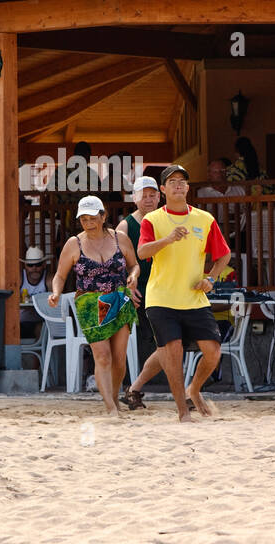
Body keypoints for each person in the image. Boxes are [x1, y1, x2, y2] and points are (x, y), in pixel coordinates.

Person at [133, 164, 232, 421]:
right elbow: (142, 253)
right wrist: (167, 239)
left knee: (213, 352)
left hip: (194, 298)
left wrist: (211, 278)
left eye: (182, 181)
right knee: (173, 353)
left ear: (188, 188)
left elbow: (224, 254)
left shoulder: (204, 219)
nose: (178, 184)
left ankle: (194, 390)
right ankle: (181, 412)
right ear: (163, 189)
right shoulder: (152, 219)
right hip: (161, 299)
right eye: (172, 181)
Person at [48, 195, 140, 416]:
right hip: (90, 303)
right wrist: (56, 292)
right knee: (102, 356)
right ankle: (110, 407)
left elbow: (134, 264)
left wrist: (133, 277)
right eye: (84, 219)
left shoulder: (120, 239)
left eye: (92, 218)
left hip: (119, 298)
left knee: (119, 358)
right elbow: (60, 275)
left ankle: (114, 399)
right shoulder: (74, 243)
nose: (88, 223)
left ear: (103, 216)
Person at [118, 176, 167, 406]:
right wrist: (127, 290)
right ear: (134, 198)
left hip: (164, 287)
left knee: (166, 338)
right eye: (143, 195)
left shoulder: (166, 220)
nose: (148, 200)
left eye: (152, 195)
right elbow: (116, 263)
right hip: (137, 288)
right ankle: (130, 387)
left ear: (159, 196)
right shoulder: (126, 226)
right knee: (130, 340)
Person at [19, 246, 49, 339]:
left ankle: (42, 353)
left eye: (38, 264)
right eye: (30, 265)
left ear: (44, 265)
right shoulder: (19, 278)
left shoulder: (49, 279)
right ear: (25, 266)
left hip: (42, 321)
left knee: (44, 328)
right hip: (20, 321)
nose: (34, 268)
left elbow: (54, 305)